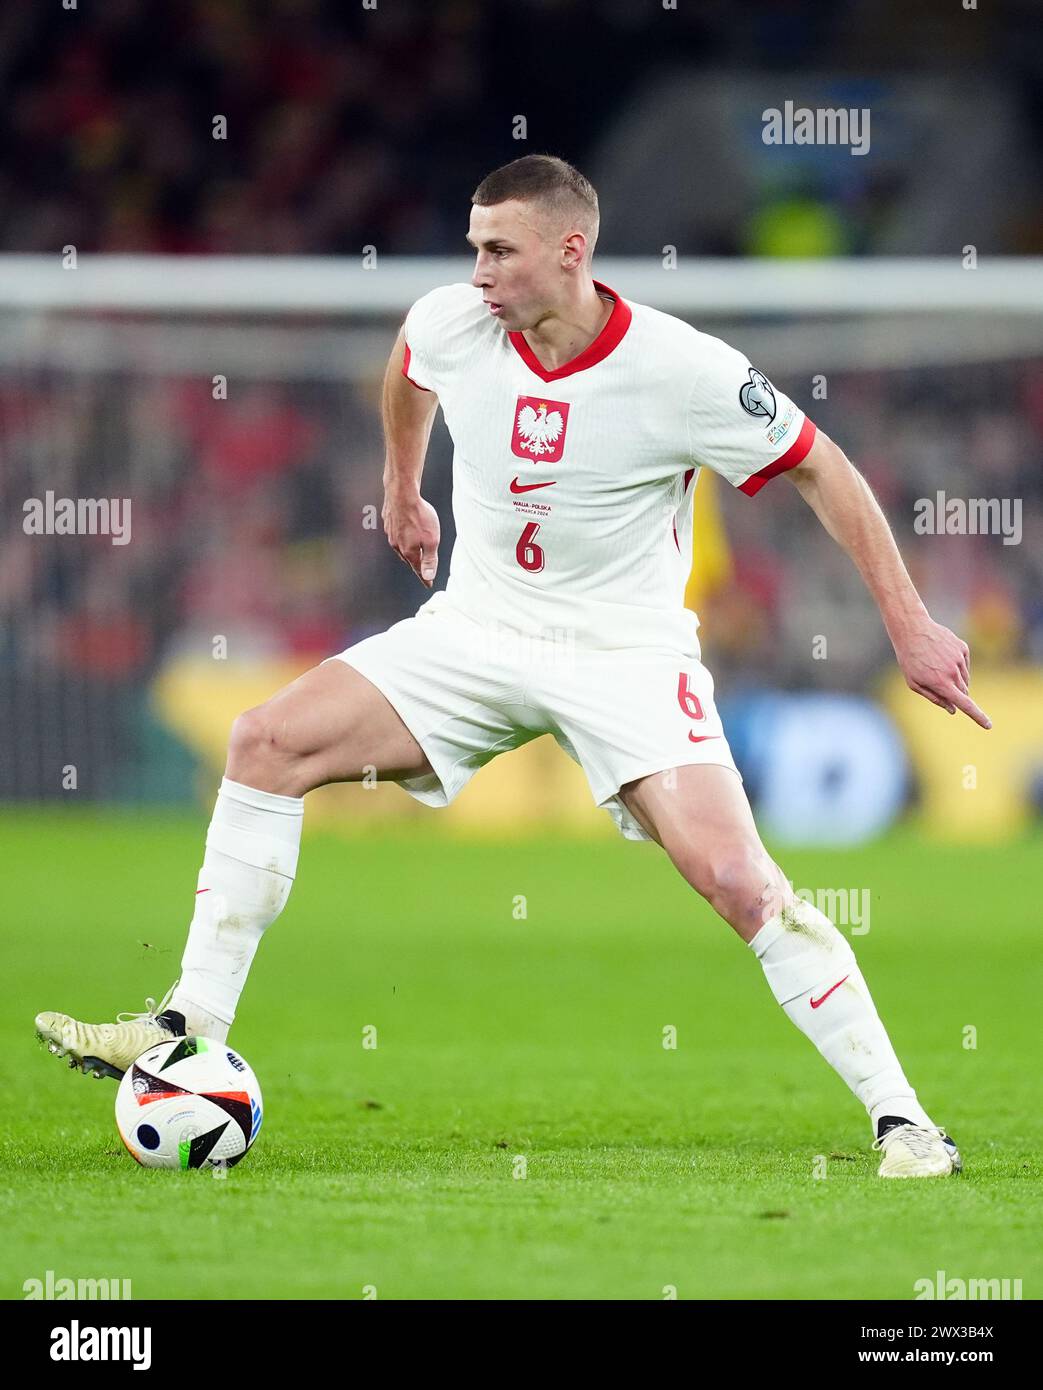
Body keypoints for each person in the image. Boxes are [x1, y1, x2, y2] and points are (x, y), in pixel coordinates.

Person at [36, 155, 990, 1177]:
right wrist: (402, 489)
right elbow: (408, 364)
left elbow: (819, 465)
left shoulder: (681, 369)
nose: (478, 271)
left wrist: (909, 623)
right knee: (263, 740)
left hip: (621, 652)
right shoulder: (454, 321)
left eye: (499, 250)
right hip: (476, 632)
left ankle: (903, 1122)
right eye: (472, 247)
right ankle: (186, 1021)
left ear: (568, 252)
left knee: (736, 880)